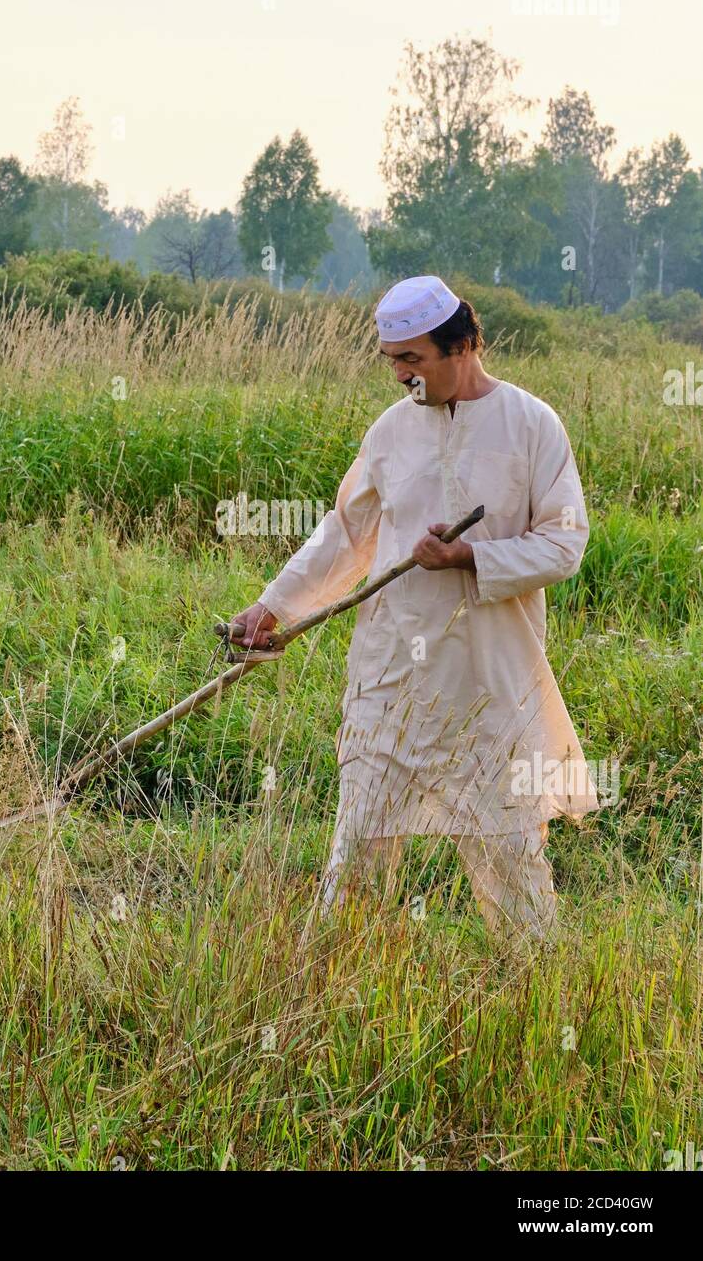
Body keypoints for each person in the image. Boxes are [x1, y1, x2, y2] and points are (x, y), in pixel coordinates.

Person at [230, 274, 600, 946]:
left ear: (462, 345)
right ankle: (329, 987)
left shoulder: (530, 424)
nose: (402, 376)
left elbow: (564, 542)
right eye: (393, 362)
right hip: (392, 675)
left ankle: (539, 999)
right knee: (360, 848)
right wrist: (272, 607)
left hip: (490, 681)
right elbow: (344, 534)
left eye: (414, 360)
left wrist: (470, 559)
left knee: (511, 855)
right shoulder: (391, 432)